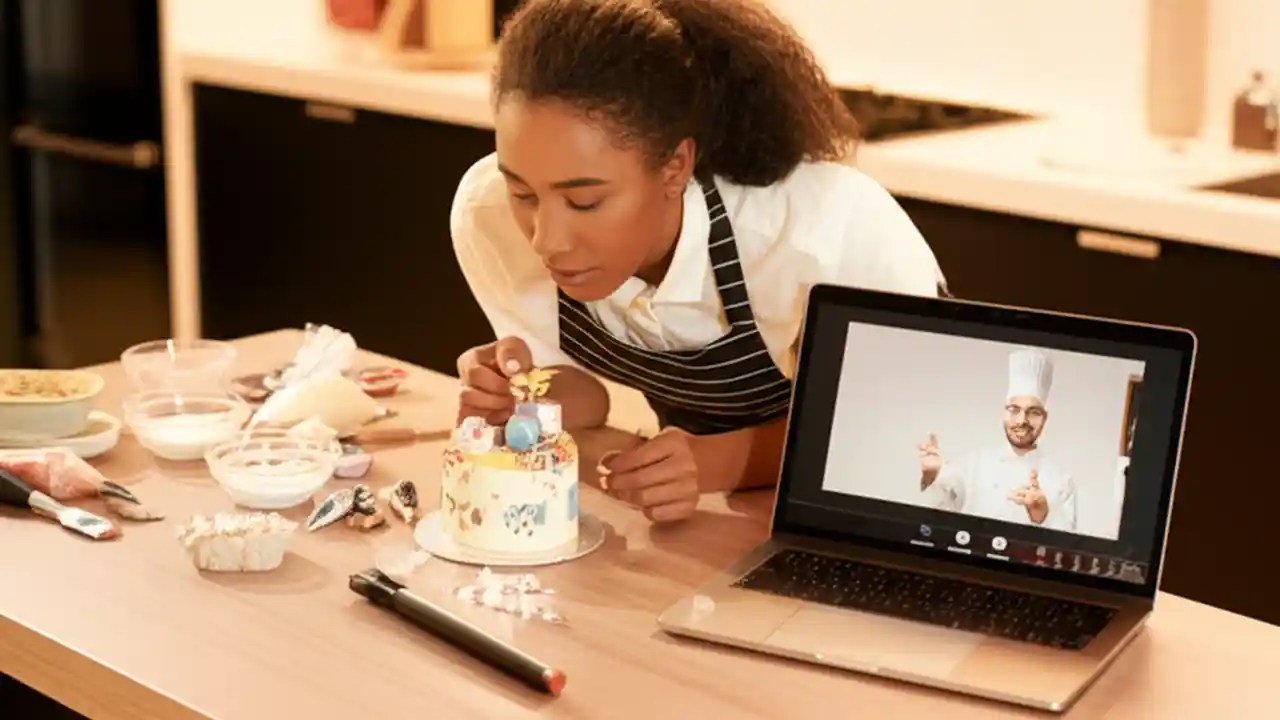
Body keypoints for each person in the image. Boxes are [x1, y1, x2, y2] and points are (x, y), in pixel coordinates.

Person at [451, 0, 944, 523]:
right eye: (523, 192)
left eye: (585, 202)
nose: (546, 242)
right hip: (714, 527)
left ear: (674, 166)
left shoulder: (815, 236)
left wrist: (717, 462)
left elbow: (899, 438)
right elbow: (585, 398)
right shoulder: (489, 216)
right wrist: (519, 394)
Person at [918, 348, 1078, 531]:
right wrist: (932, 475)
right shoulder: (972, 465)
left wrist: (1042, 516)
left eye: (1033, 412)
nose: (1022, 420)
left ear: (1045, 418)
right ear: (1004, 413)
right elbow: (934, 521)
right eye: (1014, 409)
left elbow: (1066, 549)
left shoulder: (1061, 480)